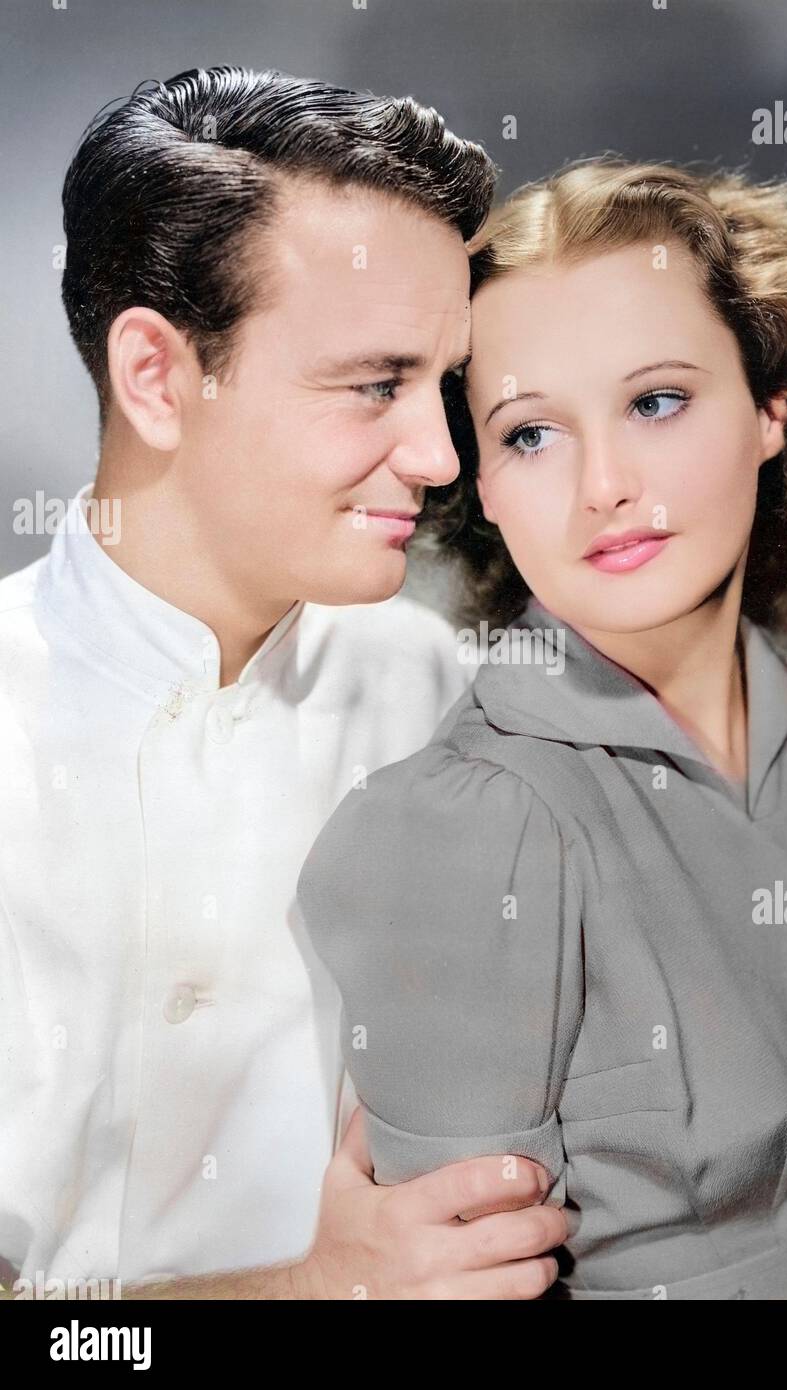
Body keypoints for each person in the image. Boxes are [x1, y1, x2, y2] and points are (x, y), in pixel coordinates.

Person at [298, 159, 787, 1298]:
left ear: (774, 409)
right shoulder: (460, 832)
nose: (604, 485)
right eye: (531, 433)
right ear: (478, 480)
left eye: (655, 401)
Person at [0, 66, 569, 1301]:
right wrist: (313, 1292)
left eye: (444, 386)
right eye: (374, 384)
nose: (434, 455)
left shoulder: (449, 700)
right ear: (156, 375)